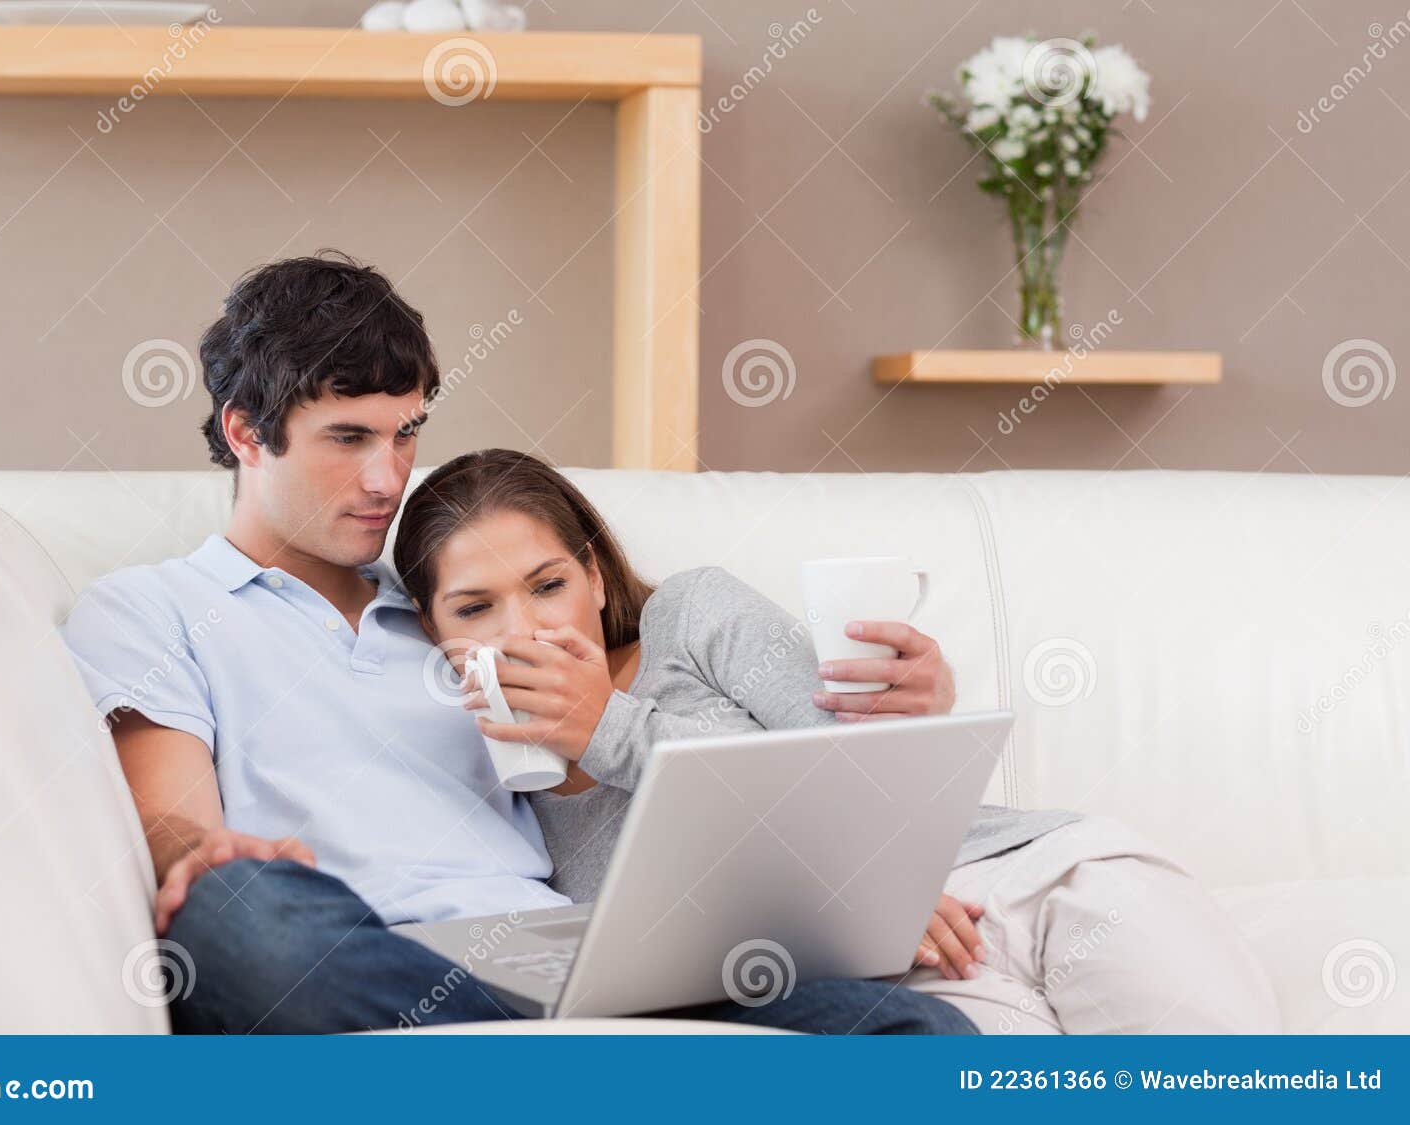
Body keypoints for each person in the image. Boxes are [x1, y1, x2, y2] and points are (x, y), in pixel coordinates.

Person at [59, 250, 972, 1035]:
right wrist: (202, 855)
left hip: (568, 953)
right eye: (347, 438)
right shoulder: (157, 606)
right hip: (355, 946)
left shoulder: (454, 603)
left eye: (405, 433)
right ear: (246, 432)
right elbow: (169, 821)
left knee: (914, 1026)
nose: (387, 479)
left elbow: (713, 762)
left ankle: (537, 1070)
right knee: (238, 919)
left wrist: (888, 736)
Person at [392, 448, 1284, 1035]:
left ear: (591, 573)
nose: (523, 630)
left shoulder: (691, 614)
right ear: (435, 634)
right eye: (475, 608)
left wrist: (609, 725)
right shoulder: (494, 806)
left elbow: (857, 774)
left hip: (1023, 882)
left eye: (547, 584)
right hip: (910, 985)